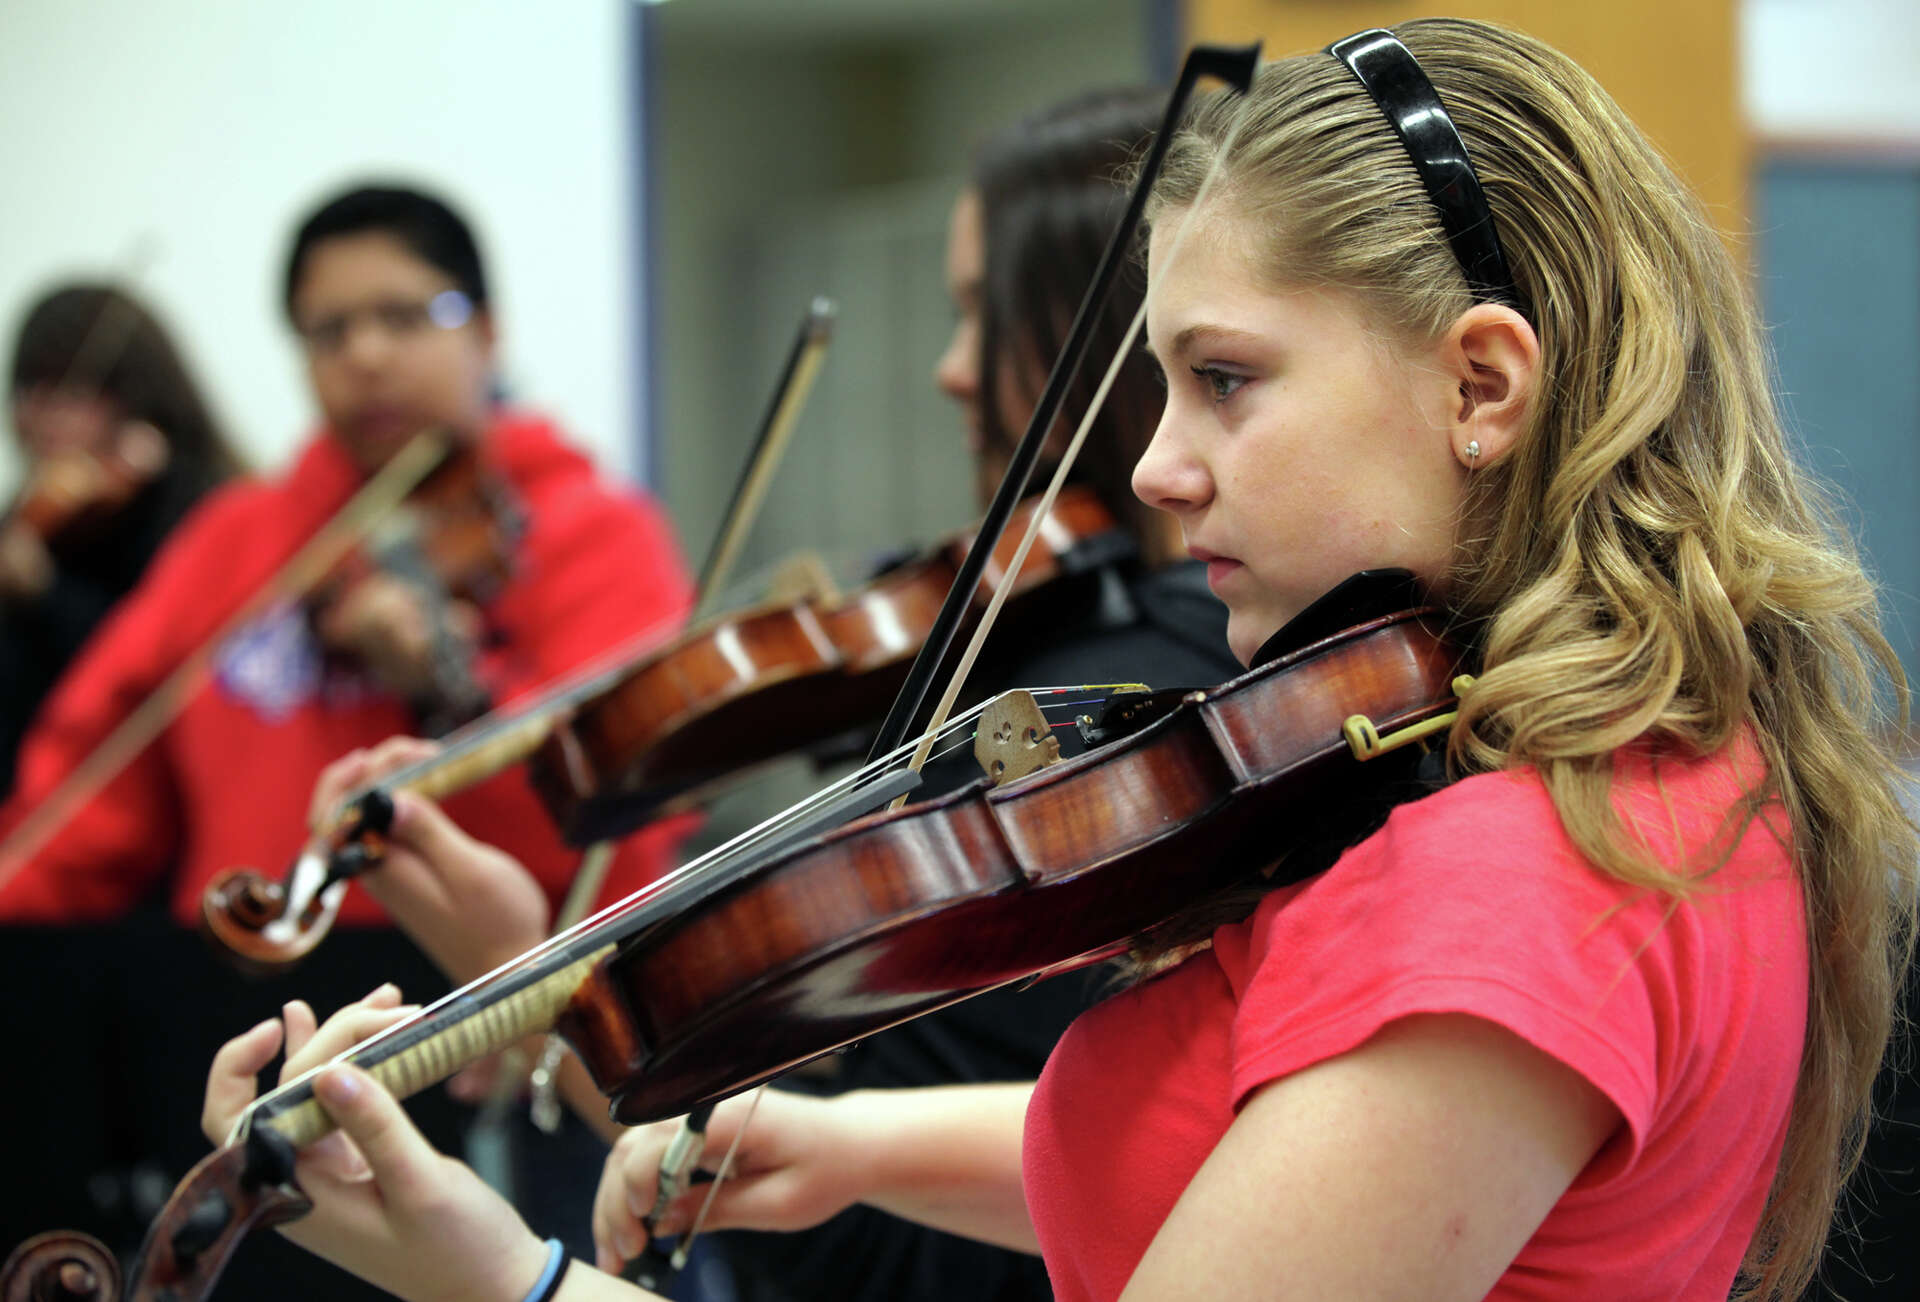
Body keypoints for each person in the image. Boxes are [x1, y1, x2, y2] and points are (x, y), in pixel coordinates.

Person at [197, 20, 1916, 1302]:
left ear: (1483, 385)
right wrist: (859, 1139)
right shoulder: (1642, 760)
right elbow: (1294, 1180)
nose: (1159, 466)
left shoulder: (1504, 883)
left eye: (1226, 380)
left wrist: (508, 1278)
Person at [0, 185, 695, 1297]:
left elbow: (620, 825)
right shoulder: (244, 539)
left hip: (479, 1021)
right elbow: (96, 783)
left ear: (488, 329)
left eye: (409, 315)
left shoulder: (586, 532)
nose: (367, 355)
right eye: (329, 330)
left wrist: (452, 687)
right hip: (240, 1014)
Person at [1, 283, 243, 794]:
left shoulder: (192, 507)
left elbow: (160, 673)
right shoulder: (36, 514)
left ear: (136, 394)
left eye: (72, 392)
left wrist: (45, 596)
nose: (42, 416)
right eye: (29, 391)